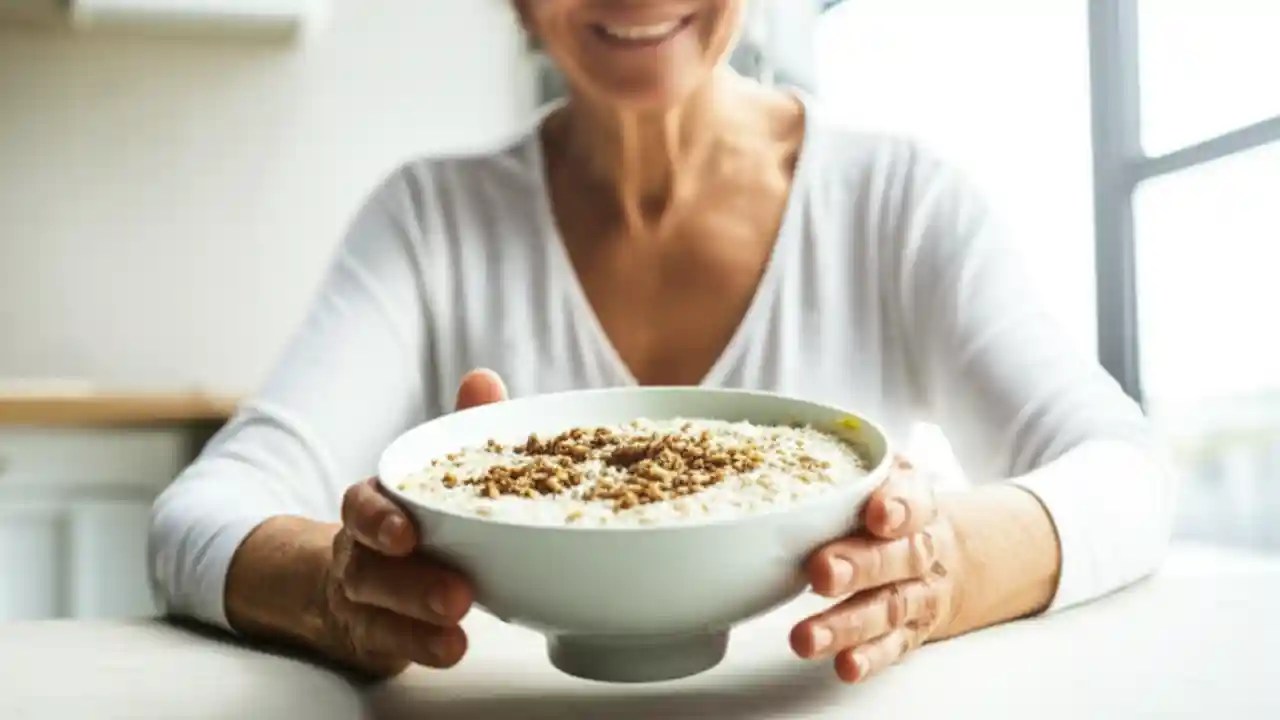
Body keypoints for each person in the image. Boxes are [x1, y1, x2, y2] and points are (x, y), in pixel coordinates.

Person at [150, 0, 1175, 683]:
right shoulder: (430, 220)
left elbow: (1127, 477)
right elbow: (198, 514)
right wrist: (340, 589)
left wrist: (937, 562)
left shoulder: (895, 203)